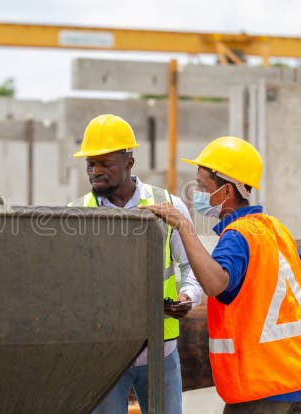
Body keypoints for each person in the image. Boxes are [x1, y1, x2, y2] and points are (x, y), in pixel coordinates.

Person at [141, 136, 301, 414]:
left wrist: (183, 226)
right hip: (298, 382)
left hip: (260, 388)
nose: (197, 193)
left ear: (226, 192)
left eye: (203, 186)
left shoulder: (238, 236)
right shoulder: (275, 229)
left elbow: (215, 284)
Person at [68, 114, 203, 414]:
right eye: (91, 163)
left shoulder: (168, 205)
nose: (95, 171)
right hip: (103, 356)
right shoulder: (75, 214)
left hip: (159, 353)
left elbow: (191, 265)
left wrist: (188, 297)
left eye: (105, 162)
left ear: (129, 162)